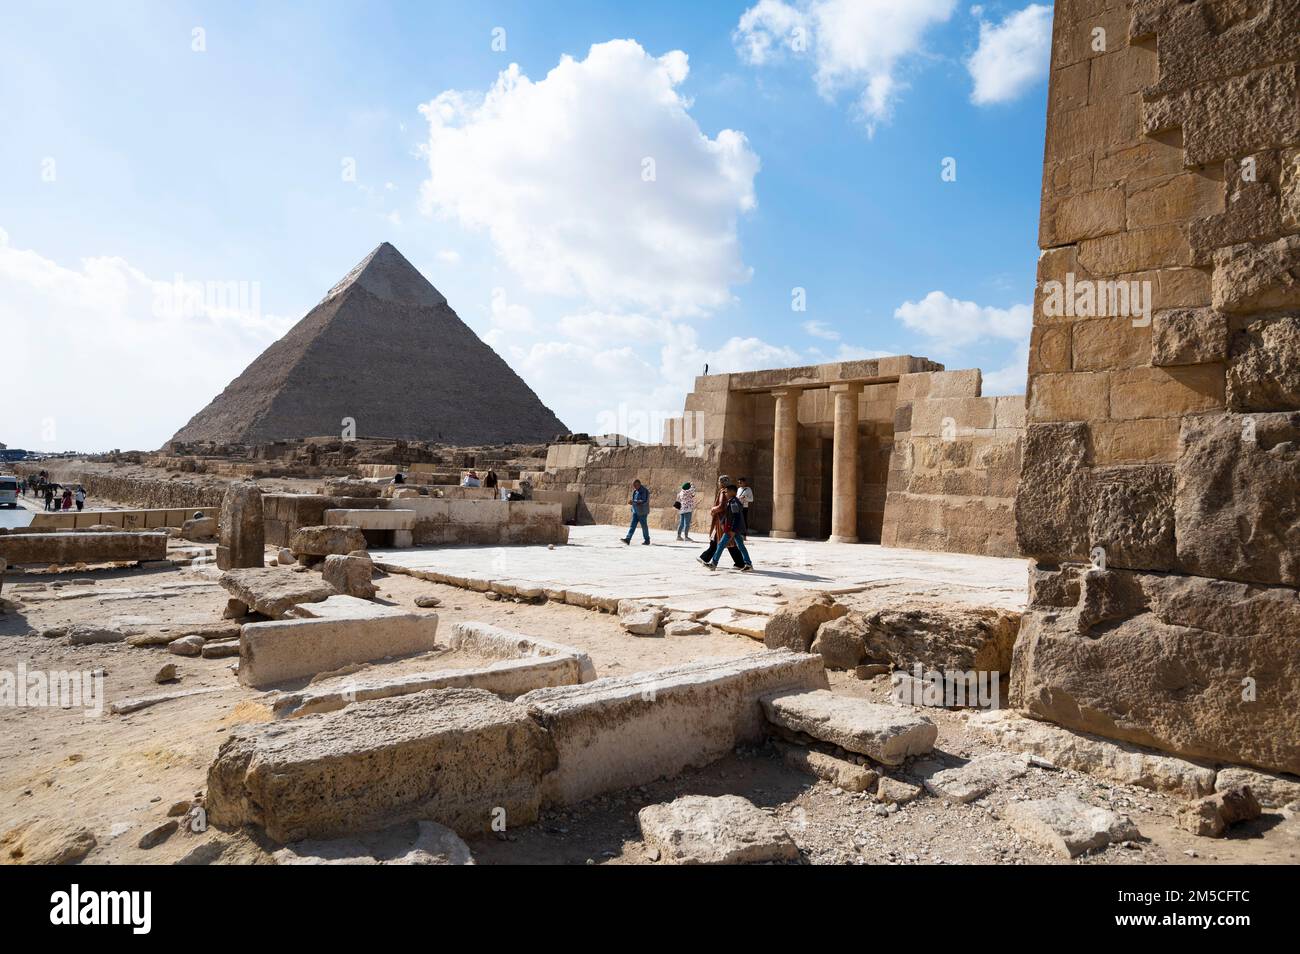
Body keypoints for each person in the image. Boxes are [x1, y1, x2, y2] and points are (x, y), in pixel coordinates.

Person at [698, 475, 744, 568]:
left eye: (719, 482)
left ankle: (708, 559)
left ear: (722, 483)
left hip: (722, 521)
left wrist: (713, 509)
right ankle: (740, 562)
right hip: (724, 521)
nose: (718, 484)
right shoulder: (726, 492)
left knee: (723, 541)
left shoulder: (723, 492)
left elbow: (722, 506)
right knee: (725, 541)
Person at [704, 484, 752, 571]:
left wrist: (732, 530)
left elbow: (736, 517)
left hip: (731, 529)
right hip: (734, 529)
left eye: (727, 491)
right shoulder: (732, 501)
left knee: (721, 545)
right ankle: (748, 564)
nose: (725, 493)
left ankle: (713, 564)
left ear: (732, 492)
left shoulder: (733, 502)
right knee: (741, 546)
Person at [620, 479, 651, 546]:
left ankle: (647, 540)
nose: (634, 487)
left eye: (635, 485)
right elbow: (635, 501)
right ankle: (628, 539)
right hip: (635, 511)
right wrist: (632, 503)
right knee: (632, 526)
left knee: (644, 527)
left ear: (639, 484)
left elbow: (644, 501)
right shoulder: (635, 491)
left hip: (642, 512)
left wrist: (634, 502)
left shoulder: (644, 491)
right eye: (633, 486)